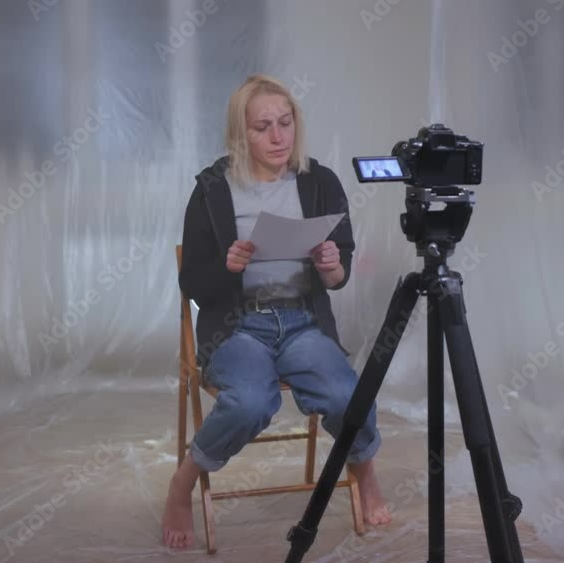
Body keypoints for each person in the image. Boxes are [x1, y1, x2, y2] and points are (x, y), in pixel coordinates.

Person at [162, 74, 392, 549]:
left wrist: (331, 265)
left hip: (302, 322)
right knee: (249, 402)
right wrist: (228, 268)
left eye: (285, 123)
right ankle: (182, 484)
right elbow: (192, 284)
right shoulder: (212, 188)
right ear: (240, 133)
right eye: (262, 127)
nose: (277, 136)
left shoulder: (320, 181)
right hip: (237, 328)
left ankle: (364, 469)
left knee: (347, 396)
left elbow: (339, 273)